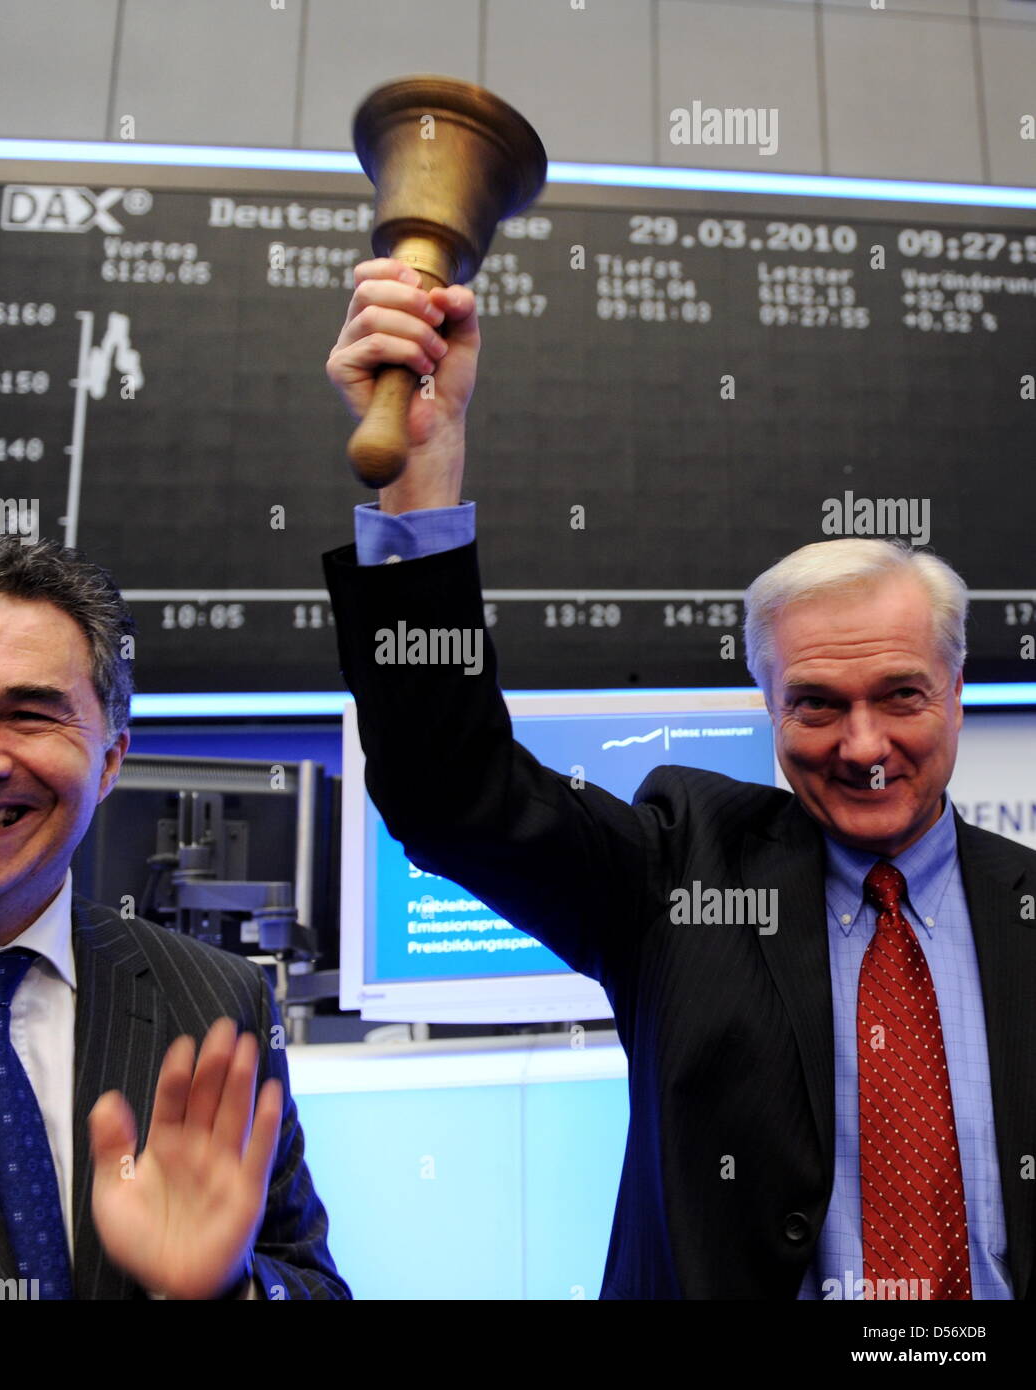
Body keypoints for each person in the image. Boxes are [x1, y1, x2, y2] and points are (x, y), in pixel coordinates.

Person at [321, 258, 1035, 1300]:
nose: (864, 742)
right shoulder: (678, 867)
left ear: (957, 686)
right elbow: (448, 792)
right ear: (766, 704)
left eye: (901, 694)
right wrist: (422, 471)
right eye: (817, 704)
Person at [0, 535, 348, 1300]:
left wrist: (225, 1289)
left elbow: (308, 1283)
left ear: (109, 761)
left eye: (29, 715)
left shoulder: (213, 999)